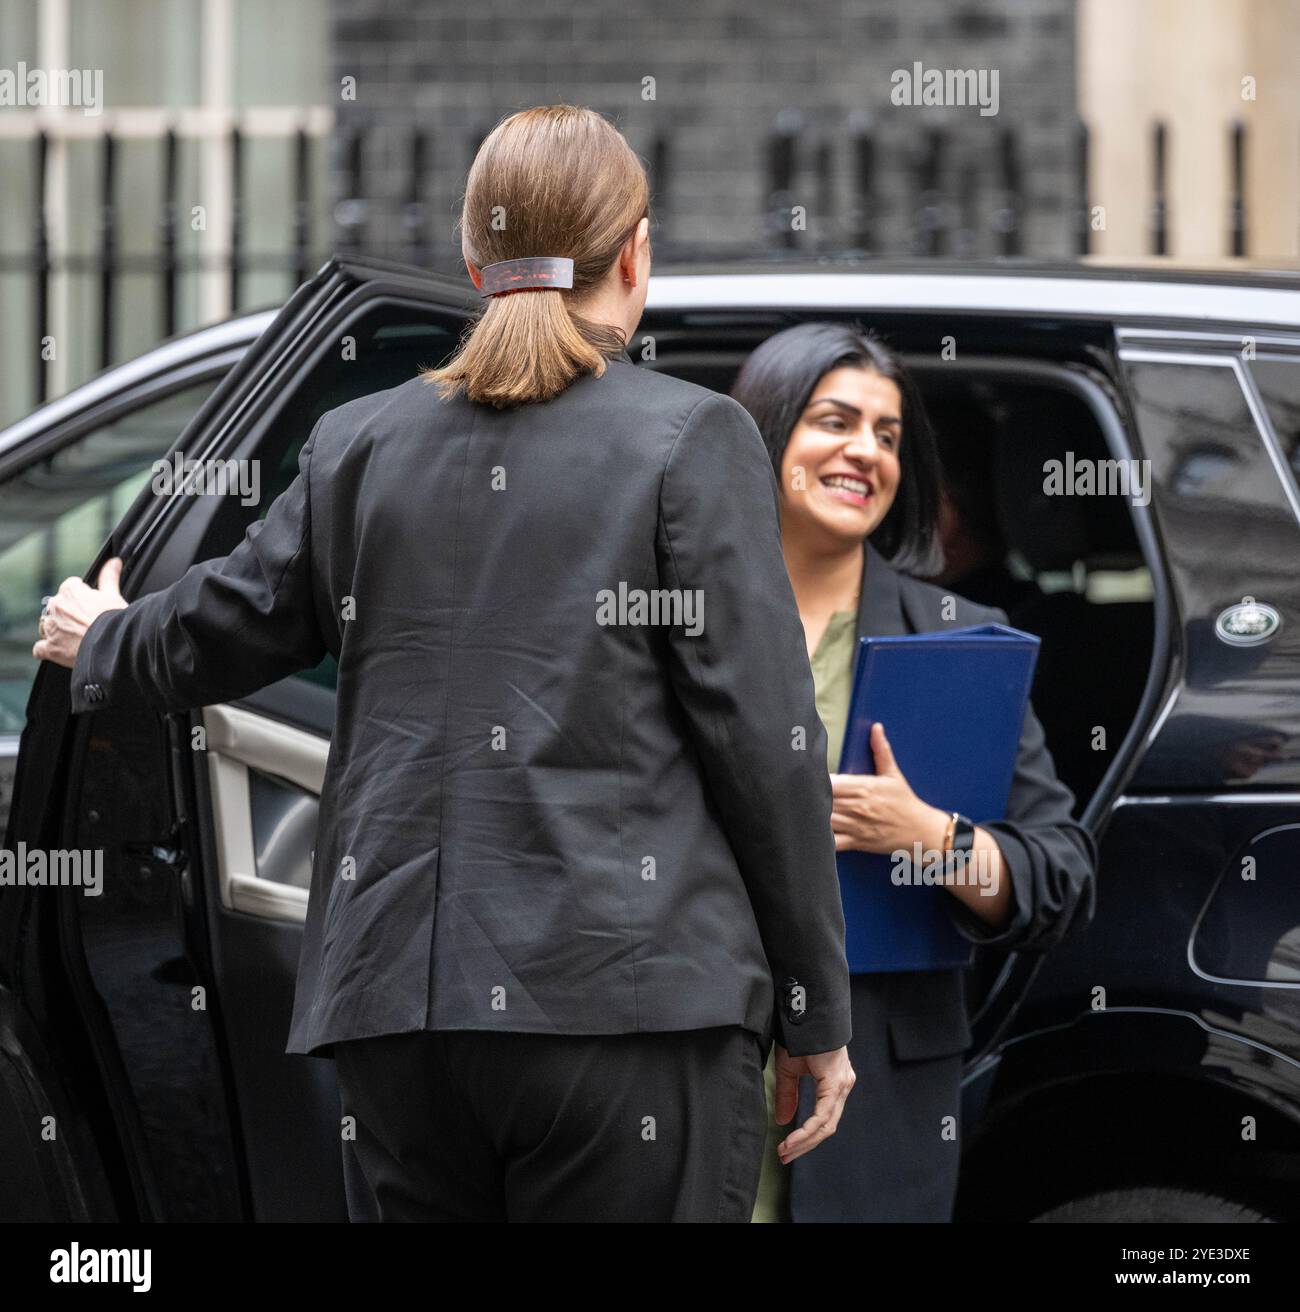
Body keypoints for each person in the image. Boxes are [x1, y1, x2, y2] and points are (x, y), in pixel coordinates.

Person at [33, 106, 855, 1223]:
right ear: (634, 254)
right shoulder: (691, 439)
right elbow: (766, 742)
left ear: (475, 262)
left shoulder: (358, 444)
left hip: (398, 1022)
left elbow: (225, 622)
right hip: (624, 1017)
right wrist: (814, 1009)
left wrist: (104, 634)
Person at [731, 322, 1096, 1223]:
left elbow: (1063, 876)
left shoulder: (957, 642)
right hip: (692, 1071)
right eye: (835, 421)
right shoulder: (680, 621)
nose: (864, 450)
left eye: (887, 435)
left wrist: (931, 838)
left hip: (873, 1104)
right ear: (764, 432)